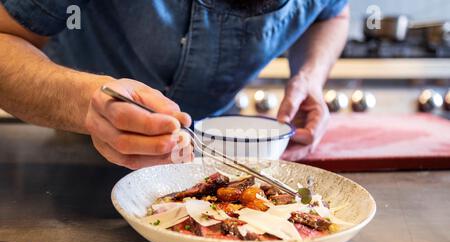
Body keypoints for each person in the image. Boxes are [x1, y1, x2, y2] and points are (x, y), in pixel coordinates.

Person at [0, 0, 349, 169]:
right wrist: (85, 102)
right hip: (76, 155)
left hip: (215, 156)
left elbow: (333, 14)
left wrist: (310, 76)